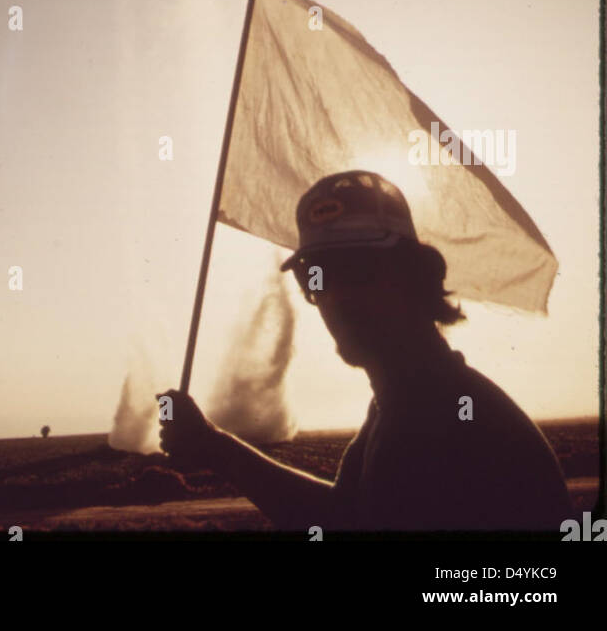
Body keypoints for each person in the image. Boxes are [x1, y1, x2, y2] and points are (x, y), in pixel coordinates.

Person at [159, 171, 573, 533]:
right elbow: (346, 515)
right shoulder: (403, 404)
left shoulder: (440, 420)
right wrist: (213, 445)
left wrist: (216, 448)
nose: (334, 296)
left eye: (356, 270)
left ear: (417, 275)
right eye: (315, 277)